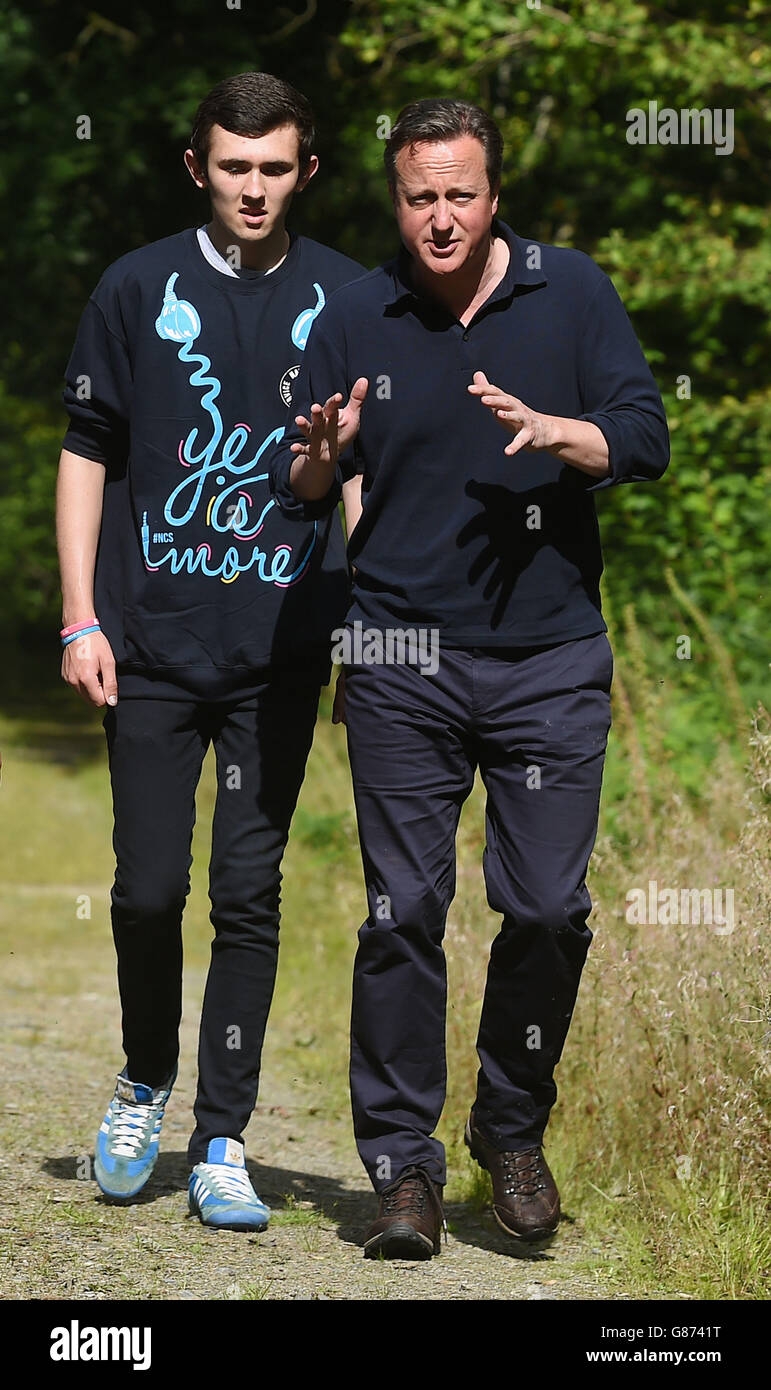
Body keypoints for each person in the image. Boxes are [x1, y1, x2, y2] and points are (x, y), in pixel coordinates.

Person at [270, 98, 669, 1259]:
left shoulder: (572, 292)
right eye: (417, 196)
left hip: (548, 658)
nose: (439, 217)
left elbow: (643, 435)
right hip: (398, 653)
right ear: (394, 203)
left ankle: (510, 1127)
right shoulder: (354, 314)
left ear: (494, 198)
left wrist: (563, 432)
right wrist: (316, 459)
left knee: (547, 908)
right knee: (403, 913)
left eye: (459, 193)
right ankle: (401, 1168)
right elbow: (304, 482)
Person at [57, 71, 364, 1230]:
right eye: (234, 166)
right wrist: (81, 613)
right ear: (200, 169)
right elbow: (88, 449)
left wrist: (370, 631)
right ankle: (144, 1076)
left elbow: (357, 486)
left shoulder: (348, 297)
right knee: (147, 890)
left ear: (306, 172)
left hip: (280, 650)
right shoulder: (137, 287)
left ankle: (222, 1136)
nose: (253, 186)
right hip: (146, 647)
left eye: (274, 167)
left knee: (247, 890)